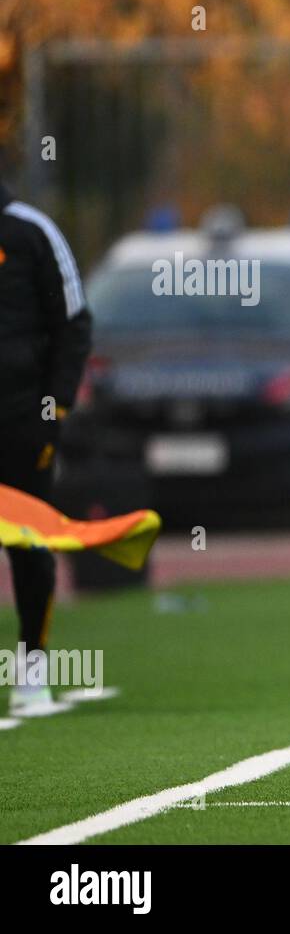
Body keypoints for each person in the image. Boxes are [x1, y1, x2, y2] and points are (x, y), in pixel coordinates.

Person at [0, 177, 93, 716]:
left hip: (22, 423)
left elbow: (75, 324)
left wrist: (54, 407)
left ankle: (30, 673)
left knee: (28, 545)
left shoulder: (33, 232)